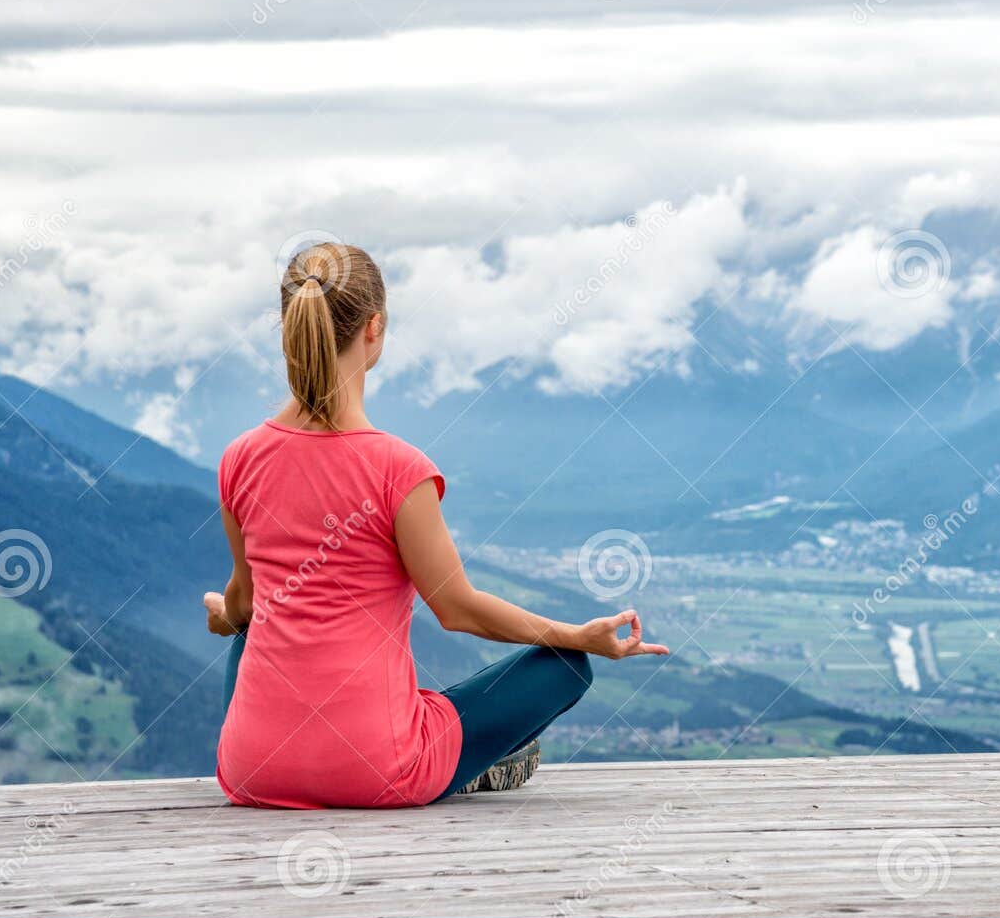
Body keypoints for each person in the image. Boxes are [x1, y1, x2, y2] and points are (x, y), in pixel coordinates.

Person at [202, 241, 666, 809]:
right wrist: (578, 636)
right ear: (375, 329)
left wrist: (226, 616)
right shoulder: (400, 470)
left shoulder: (239, 459)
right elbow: (458, 610)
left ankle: (415, 735)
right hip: (377, 771)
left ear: (288, 327)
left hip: (253, 772)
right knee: (566, 666)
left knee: (256, 626)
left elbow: (246, 604)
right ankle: (456, 757)